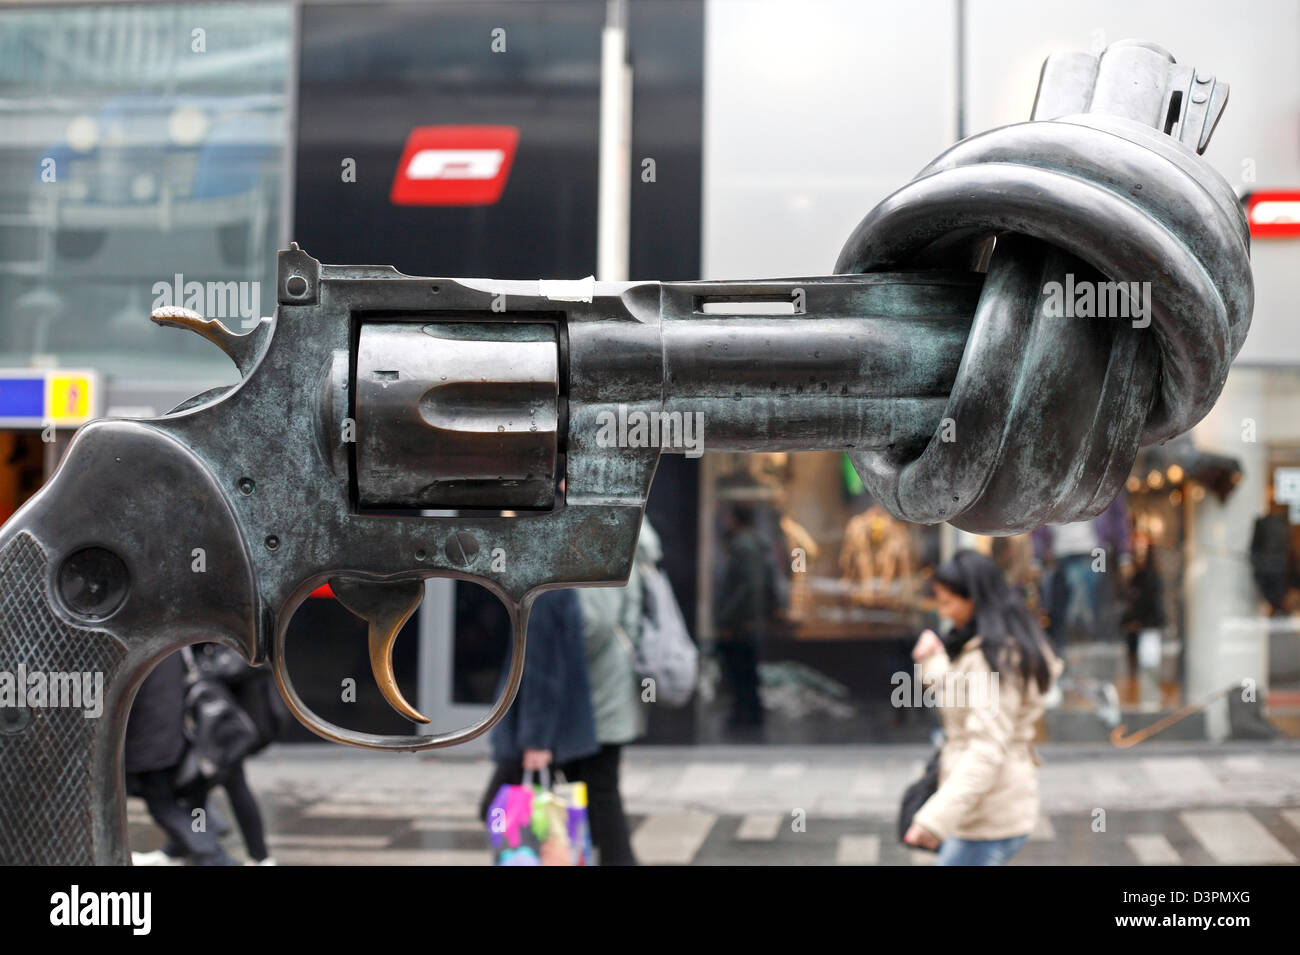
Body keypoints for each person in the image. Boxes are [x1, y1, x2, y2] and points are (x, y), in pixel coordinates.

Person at [903, 550, 1062, 866]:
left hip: (988, 816)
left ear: (974, 599)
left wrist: (934, 819)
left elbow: (986, 749)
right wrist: (931, 659)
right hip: (986, 811)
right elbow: (961, 692)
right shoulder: (983, 645)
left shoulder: (994, 659)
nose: (943, 613)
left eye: (948, 603)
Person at [478, 588, 600, 844]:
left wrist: (536, 741)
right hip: (555, 732)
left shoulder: (543, 594)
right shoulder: (558, 588)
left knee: (499, 811)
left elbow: (543, 671)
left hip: (542, 736)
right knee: (531, 819)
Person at [573, 519, 661, 866]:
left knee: (599, 787)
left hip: (599, 690)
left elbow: (594, 622)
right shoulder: (624, 540)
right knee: (600, 785)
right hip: (610, 686)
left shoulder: (600, 541)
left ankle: (615, 859)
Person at [126, 652, 237, 866]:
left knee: (163, 805)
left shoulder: (143, 646)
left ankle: (212, 855)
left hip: (153, 740)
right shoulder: (169, 642)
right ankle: (188, 844)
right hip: (176, 736)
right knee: (191, 802)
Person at [715, 504, 771, 729]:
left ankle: (746, 714)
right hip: (747, 621)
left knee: (741, 671)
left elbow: (749, 587)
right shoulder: (749, 543)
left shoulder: (744, 546)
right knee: (745, 671)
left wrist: (728, 617)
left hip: (741, 623)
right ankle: (748, 713)